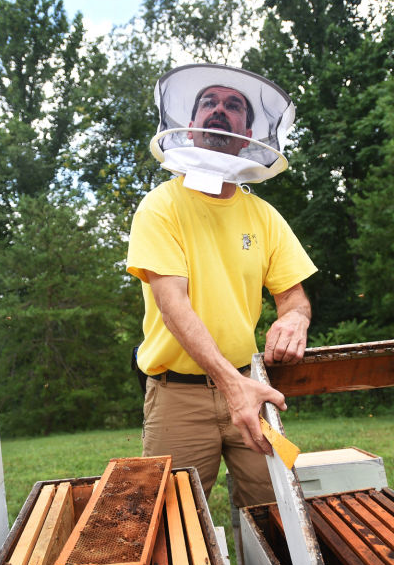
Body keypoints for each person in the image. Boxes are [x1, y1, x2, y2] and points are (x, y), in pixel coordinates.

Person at [127, 67, 317, 507]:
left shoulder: (265, 216)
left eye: (233, 106)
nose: (219, 110)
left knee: (281, 506)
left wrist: (294, 318)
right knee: (166, 520)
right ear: (189, 126)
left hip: (250, 387)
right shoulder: (160, 207)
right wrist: (233, 386)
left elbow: (293, 296)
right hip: (177, 397)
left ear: (248, 132)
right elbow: (173, 304)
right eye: (209, 102)